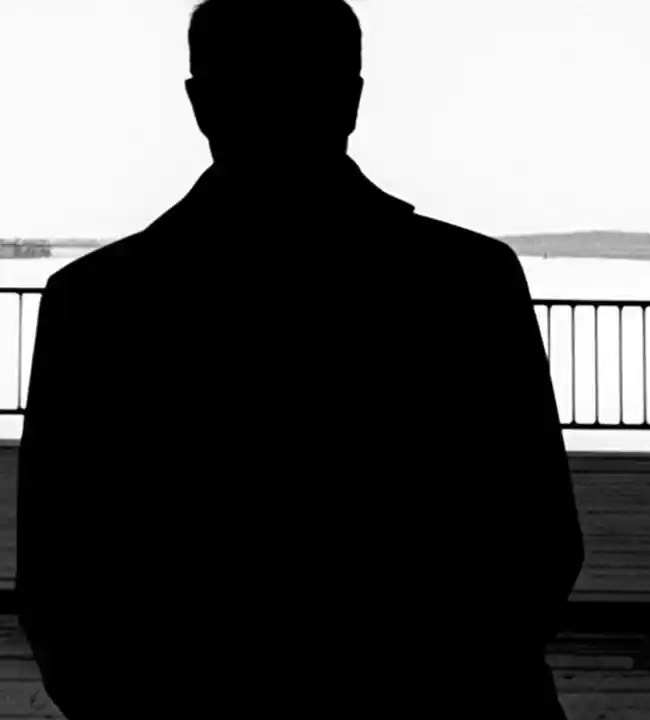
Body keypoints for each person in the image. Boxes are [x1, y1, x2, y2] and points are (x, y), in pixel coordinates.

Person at [16, 1, 584, 717]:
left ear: (202, 104)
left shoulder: (93, 301)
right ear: (350, 97)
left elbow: (60, 579)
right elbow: (538, 542)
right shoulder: (468, 280)